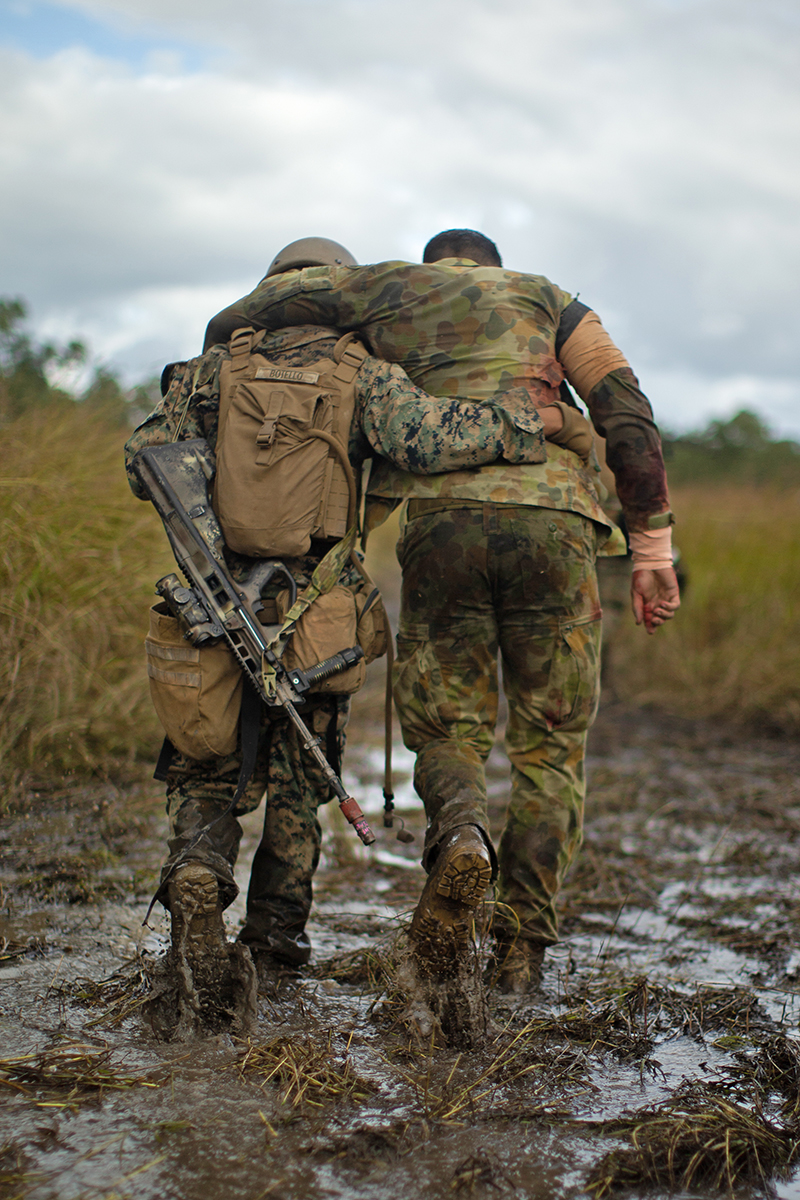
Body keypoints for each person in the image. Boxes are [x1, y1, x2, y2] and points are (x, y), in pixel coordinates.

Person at [203, 229, 680, 994]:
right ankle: (521, 952)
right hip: (557, 524)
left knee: (449, 726)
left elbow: (274, 300)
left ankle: (461, 834)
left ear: (438, 268)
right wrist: (652, 549)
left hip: (444, 522)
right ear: (496, 269)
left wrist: (218, 342)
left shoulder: (395, 290)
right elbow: (627, 410)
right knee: (549, 746)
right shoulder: (551, 299)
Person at [125, 236, 583, 1007]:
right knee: (304, 782)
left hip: (210, 601)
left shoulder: (211, 371)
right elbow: (433, 440)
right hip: (317, 610)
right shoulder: (362, 373)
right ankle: (274, 940)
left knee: (205, 767)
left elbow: (145, 460)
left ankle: (200, 879)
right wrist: (523, 416)